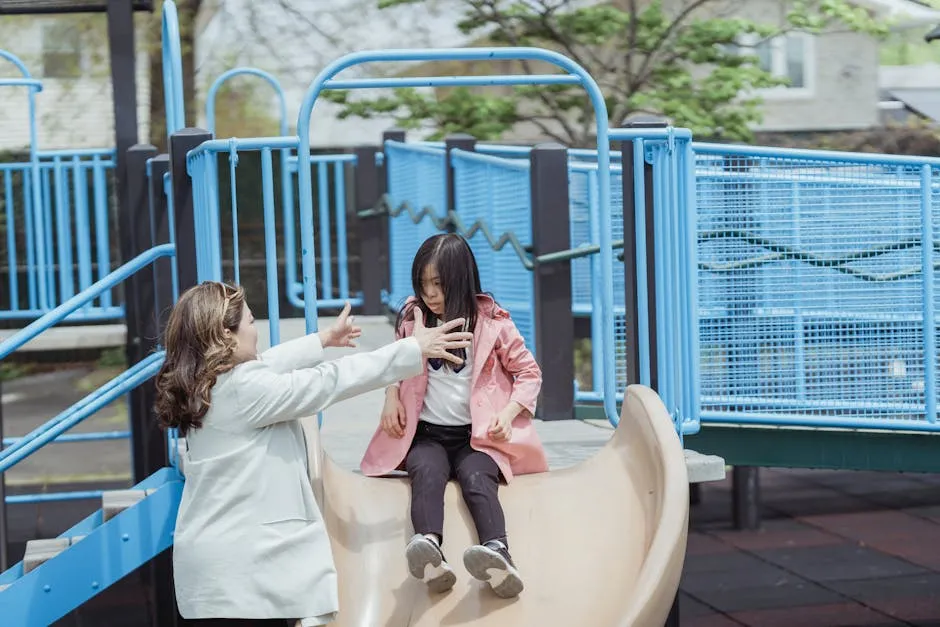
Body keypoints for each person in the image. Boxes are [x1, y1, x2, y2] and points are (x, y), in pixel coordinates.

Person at [153, 281, 473, 627]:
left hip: (215, 578)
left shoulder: (206, 384)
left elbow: (268, 363)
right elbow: (329, 381)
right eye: (249, 321)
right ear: (226, 338)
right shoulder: (247, 391)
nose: (255, 329)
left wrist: (321, 340)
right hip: (240, 585)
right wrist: (412, 349)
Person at [360, 233, 550, 599]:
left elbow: (530, 373)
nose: (430, 294)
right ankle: (429, 551)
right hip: (428, 433)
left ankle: (498, 553)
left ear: (461, 280)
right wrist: (390, 397)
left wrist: (509, 413)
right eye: (423, 283)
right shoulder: (412, 319)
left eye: (439, 284)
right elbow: (395, 365)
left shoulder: (492, 324)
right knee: (425, 472)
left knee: (478, 477)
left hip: (475, 438)